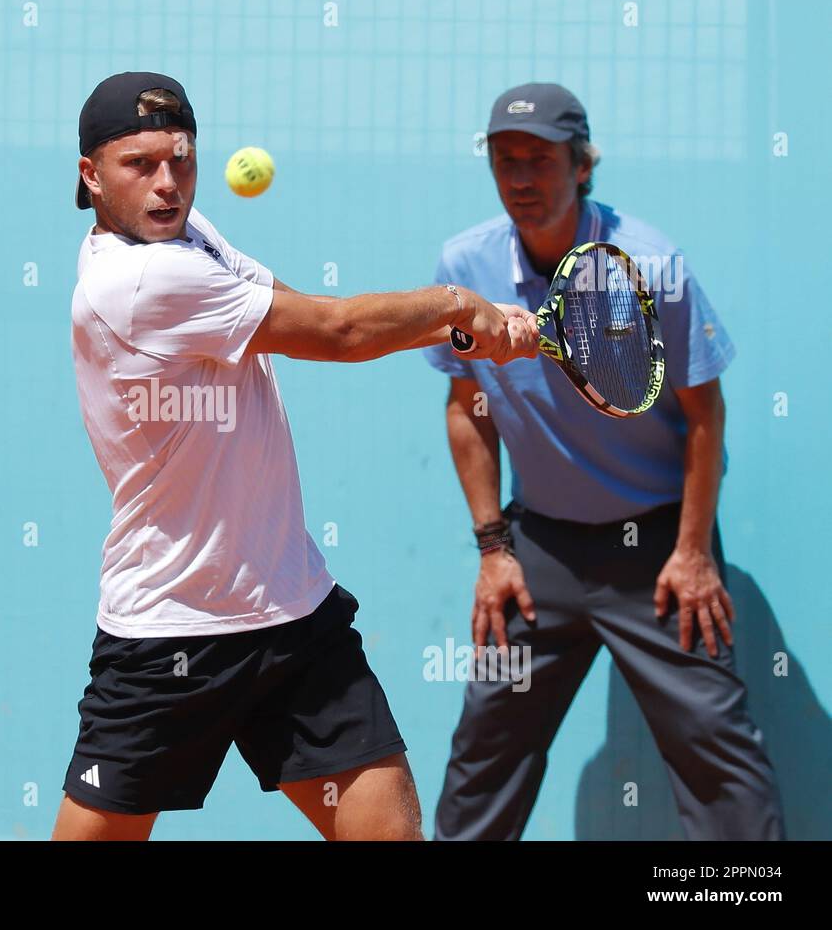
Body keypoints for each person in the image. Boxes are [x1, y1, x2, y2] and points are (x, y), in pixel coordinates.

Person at [53, 71, 537, 840]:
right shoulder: (140, 278)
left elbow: (295, 309)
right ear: (91, 175)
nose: (167, 182)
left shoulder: (188, 234)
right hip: (171, 627)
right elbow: (337, 333)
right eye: (139, 165)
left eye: (181, 159)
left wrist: (467, 326)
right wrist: (459, 305)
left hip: (292, 610)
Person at [424, 82, 785, 839]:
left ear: (583, 166)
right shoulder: (464, 264)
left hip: (658, 554)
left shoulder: (653, 266)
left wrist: (693, 553)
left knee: (718, 755)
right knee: (486, 750)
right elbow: (467, 408)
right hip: (538, 551)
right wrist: (493, 549)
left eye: (540, 159)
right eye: (505, 160)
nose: (520, 178)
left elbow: (704, 417)